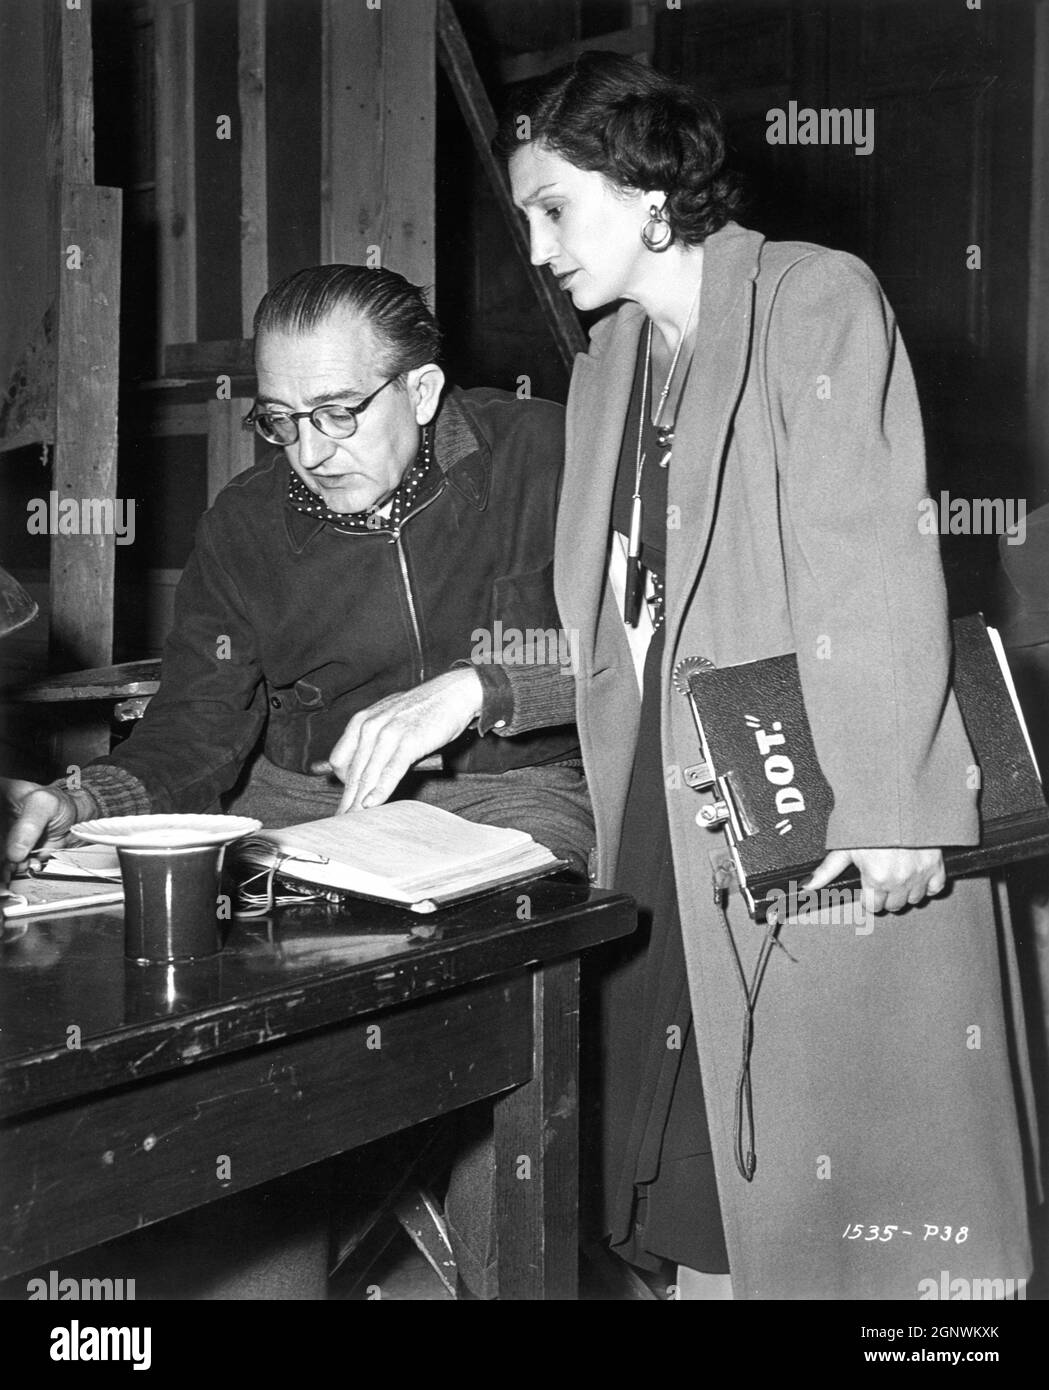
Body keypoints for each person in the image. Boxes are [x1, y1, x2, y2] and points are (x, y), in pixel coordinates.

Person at [480, 51, 1038, 1299]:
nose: (534, 244)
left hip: (826, 792)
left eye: (552, 207)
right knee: (695, 1147)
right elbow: (624, 614)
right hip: (666, 807)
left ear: (645, 191)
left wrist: (895, 808)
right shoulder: (608, 363)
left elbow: (868, 562)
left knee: (846, 1167)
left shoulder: (810, 298)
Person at [2, 264, 593, 1300]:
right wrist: (81, 799)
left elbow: (662, 633)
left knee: (457, 978)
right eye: (279, 422)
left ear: (418, 390)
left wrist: (491, 683)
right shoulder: (247, 520)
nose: (309, 454)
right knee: (215, 1017)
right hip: (304, 812)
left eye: (336, 414)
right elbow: (194, 728)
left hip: (510, 795)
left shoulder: (548, 455)